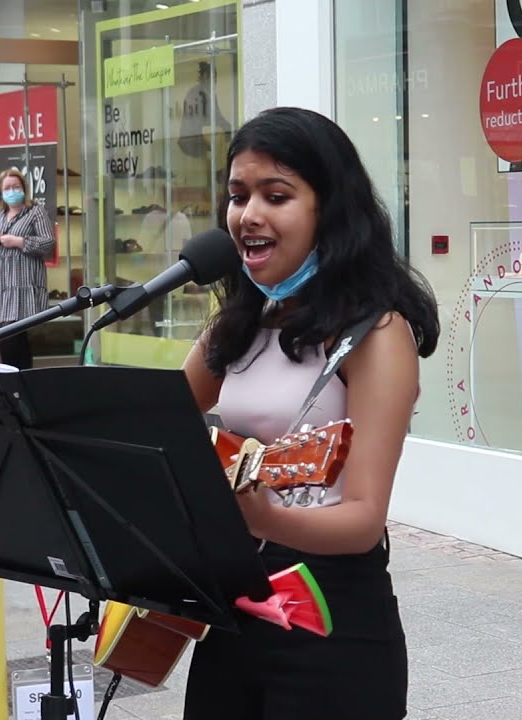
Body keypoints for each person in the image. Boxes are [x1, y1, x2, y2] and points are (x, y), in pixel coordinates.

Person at [180, 107, 439, 719]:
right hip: (232, 614)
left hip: (332, 625)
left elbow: (362, 519)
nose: (249, 215)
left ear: (329, 209)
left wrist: (264, 517)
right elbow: (152, 420)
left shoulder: (376, 333)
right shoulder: (237, 324)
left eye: (277, 196)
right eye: (238, 196)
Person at [0, 168, 55, 369]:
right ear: (1, 192)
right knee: (6, 336)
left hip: (23, 282)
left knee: (14, 335)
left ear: (24, 189)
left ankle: (20, 378)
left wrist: (20, 242)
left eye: (16, 187)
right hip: (2, 283)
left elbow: (48, 243)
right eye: (7, 188)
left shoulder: (35, 212)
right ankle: (12, 378)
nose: (12, 191)